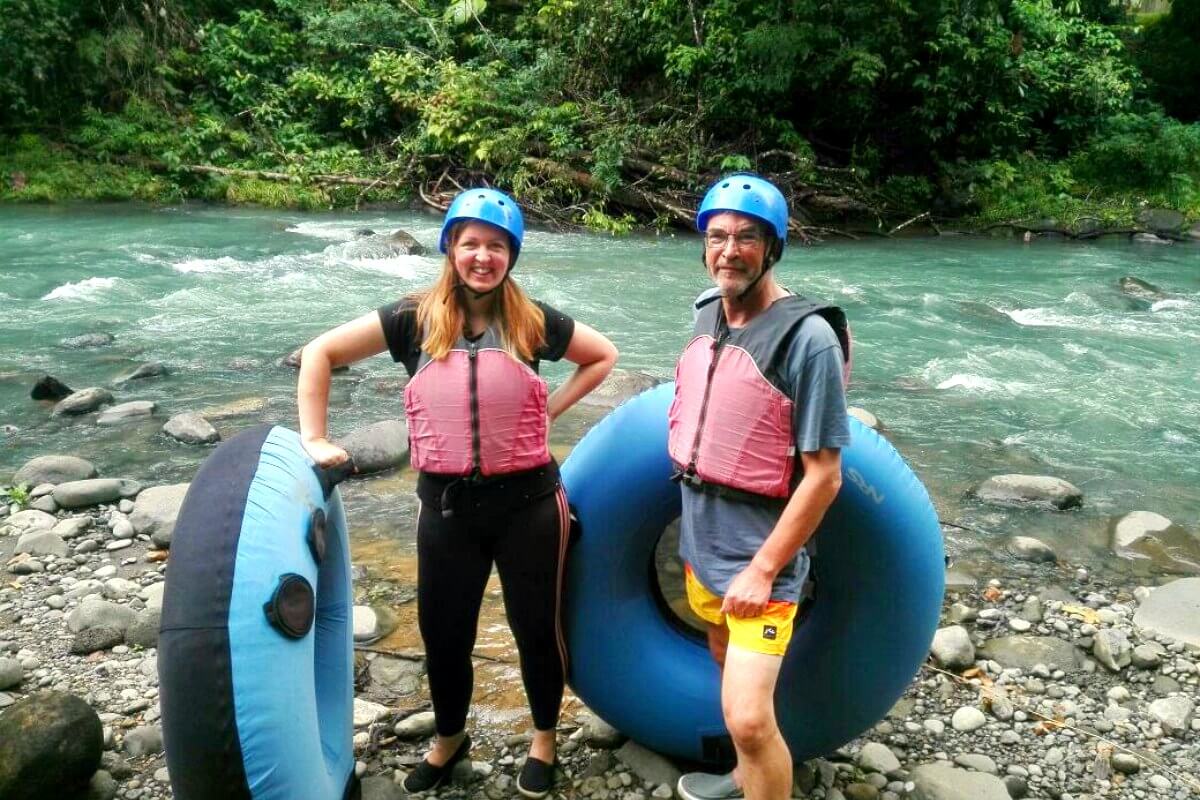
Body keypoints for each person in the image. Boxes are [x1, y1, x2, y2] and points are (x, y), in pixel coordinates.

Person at [298, 188, 618, 798]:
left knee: (535, 628)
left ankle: (544, 739)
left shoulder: (533, 321)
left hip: (530, 507)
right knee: (445, 634)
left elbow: (602, 357)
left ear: (511, 256)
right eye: (470, 243)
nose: (482, 256)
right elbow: (320, 353)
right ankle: (449, 739)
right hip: (447, 509)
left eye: (496, 246)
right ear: (449, 247)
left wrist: (548, 410)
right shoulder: (413, 318)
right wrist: (314, 437)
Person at [668, 175, 851, 800]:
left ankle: (757, 771)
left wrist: (765, 570)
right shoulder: (704, 311)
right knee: (723, 663)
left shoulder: (810, 339)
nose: (729, 249)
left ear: (772, 248)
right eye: (717, 236)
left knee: (747, 719)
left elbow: (825, 475)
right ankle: (744, 780)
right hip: (702, 547)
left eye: (747, 237)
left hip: (760, 560)